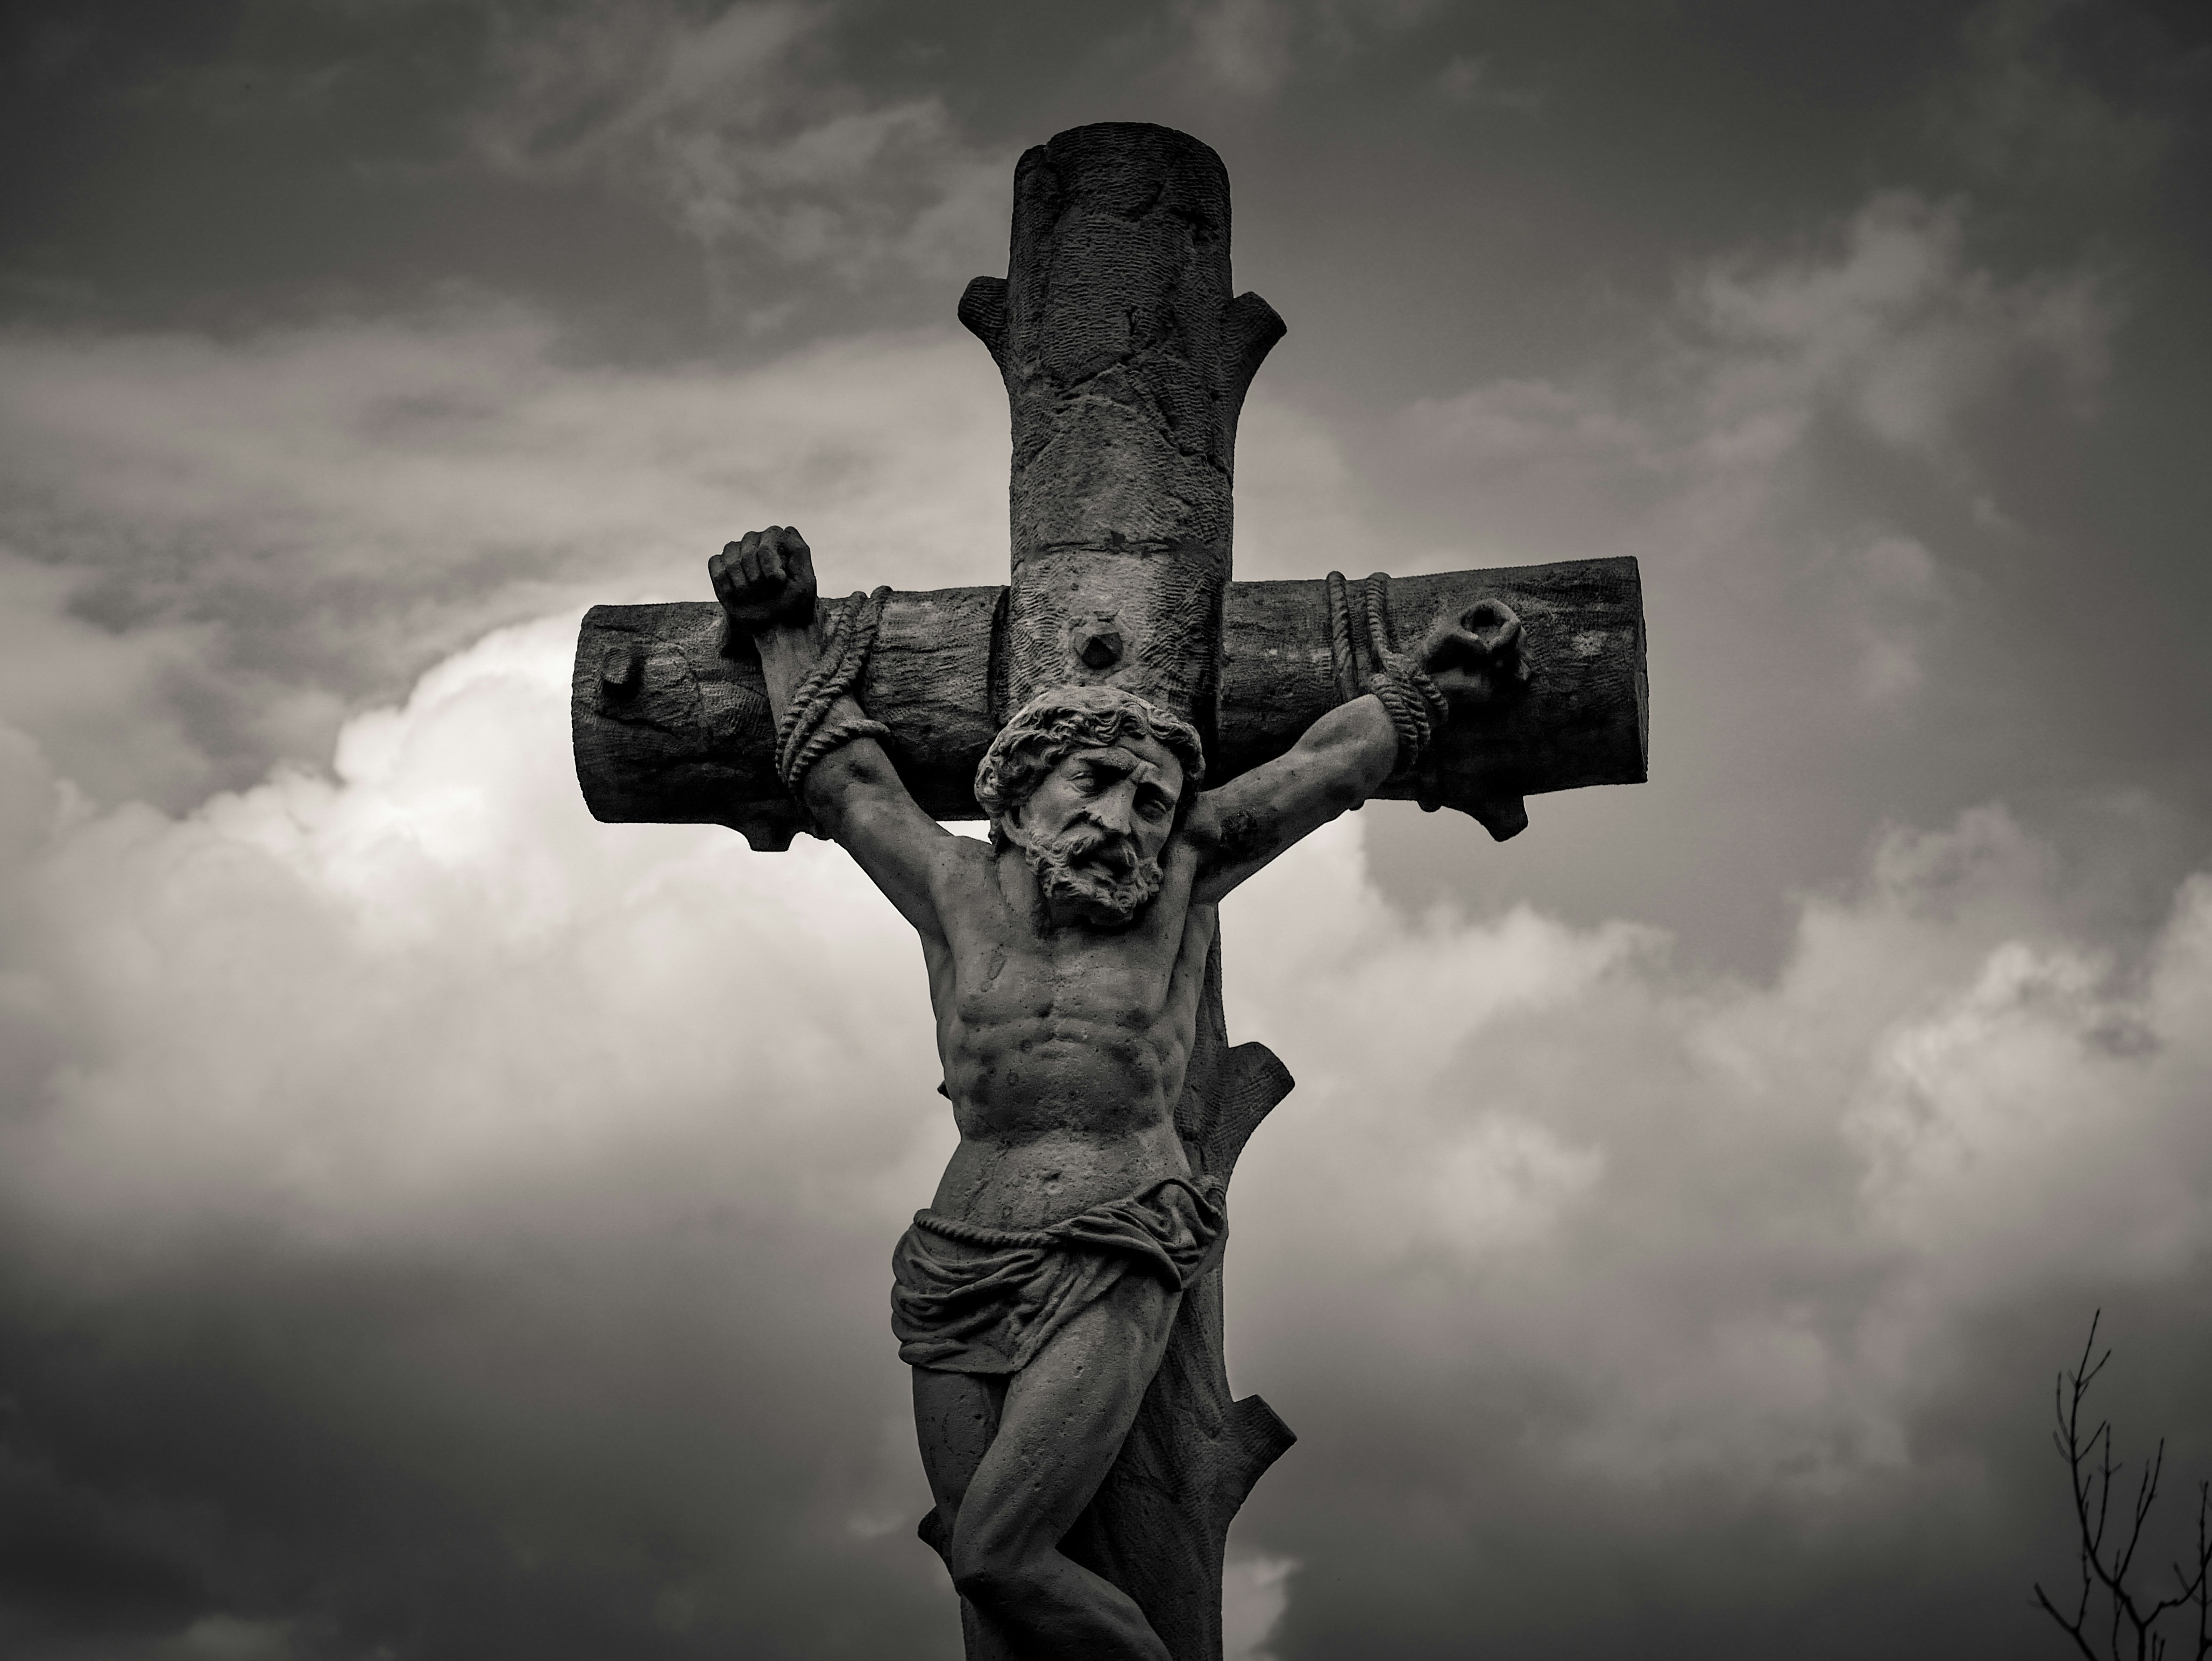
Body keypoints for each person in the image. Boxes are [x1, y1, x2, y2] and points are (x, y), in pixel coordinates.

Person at [712, 524, 1516, 1661]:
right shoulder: (954, 888)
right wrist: (782, 627)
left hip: (1116, 1231)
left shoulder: (1177, 877)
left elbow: (1322, 771)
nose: (1125, 817)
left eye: (1149, 797)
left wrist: (1423, 689)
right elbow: (844, 778)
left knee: (1001, 1547)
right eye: (1097, 783)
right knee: (983, 1583)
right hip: (958, 1251)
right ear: (1020, 797)